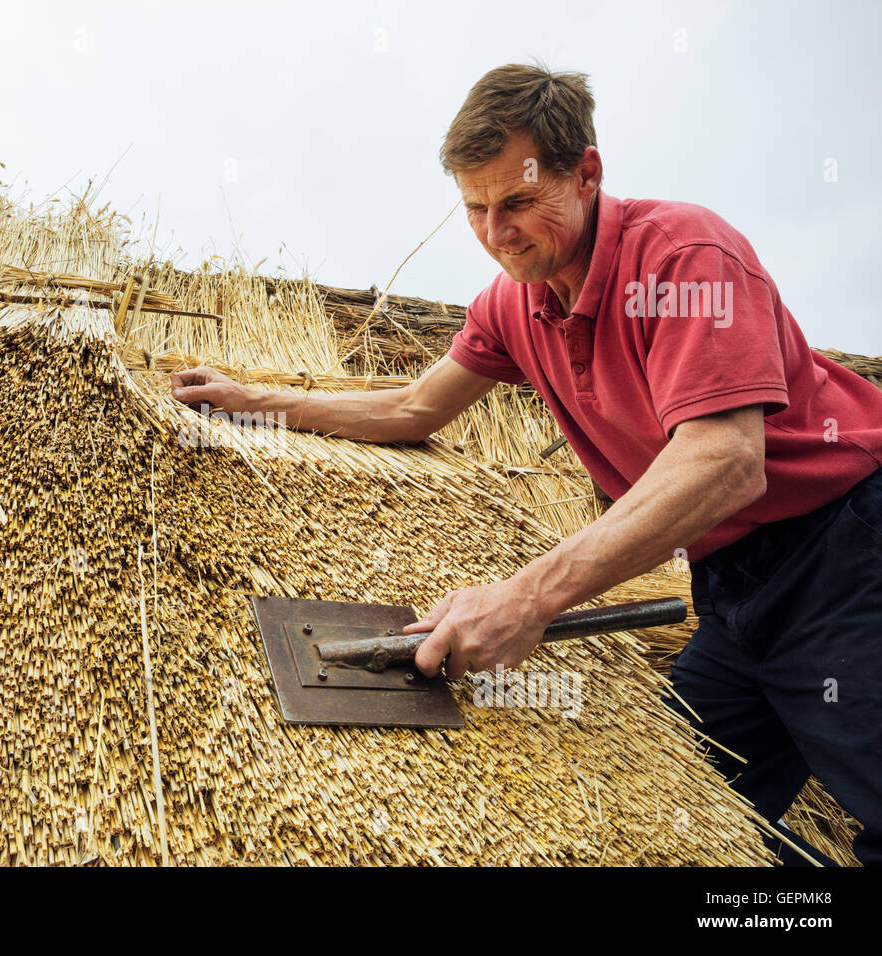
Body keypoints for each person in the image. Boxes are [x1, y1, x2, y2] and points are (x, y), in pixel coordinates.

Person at [169, 63, 882, 866]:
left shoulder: (684, 258)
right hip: (728, 590)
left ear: (587, 174)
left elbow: (722, 462)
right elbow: (413, 409)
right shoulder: (513, 306)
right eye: (476, 208)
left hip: (844, 552)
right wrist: (255, 403)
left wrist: (526, 597)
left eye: (518, 202)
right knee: (681, 823)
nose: (496, 232)